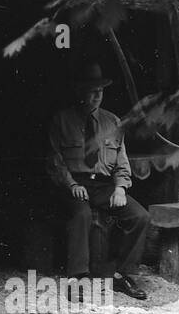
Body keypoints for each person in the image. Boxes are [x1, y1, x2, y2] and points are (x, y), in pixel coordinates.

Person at [46, 63, 150, 300]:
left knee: (140, 216)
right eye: (91, 91)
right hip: (74, 184)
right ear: (79, 92)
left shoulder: (113, 122)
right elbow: (54, 160)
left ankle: (120, 275)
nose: (96, 96)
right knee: (81, 215)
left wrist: (121, 187)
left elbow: (122, 162)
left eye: (100, 92)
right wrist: (71, 184)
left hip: (103, 185)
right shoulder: (62, 120)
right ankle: (78, 278)